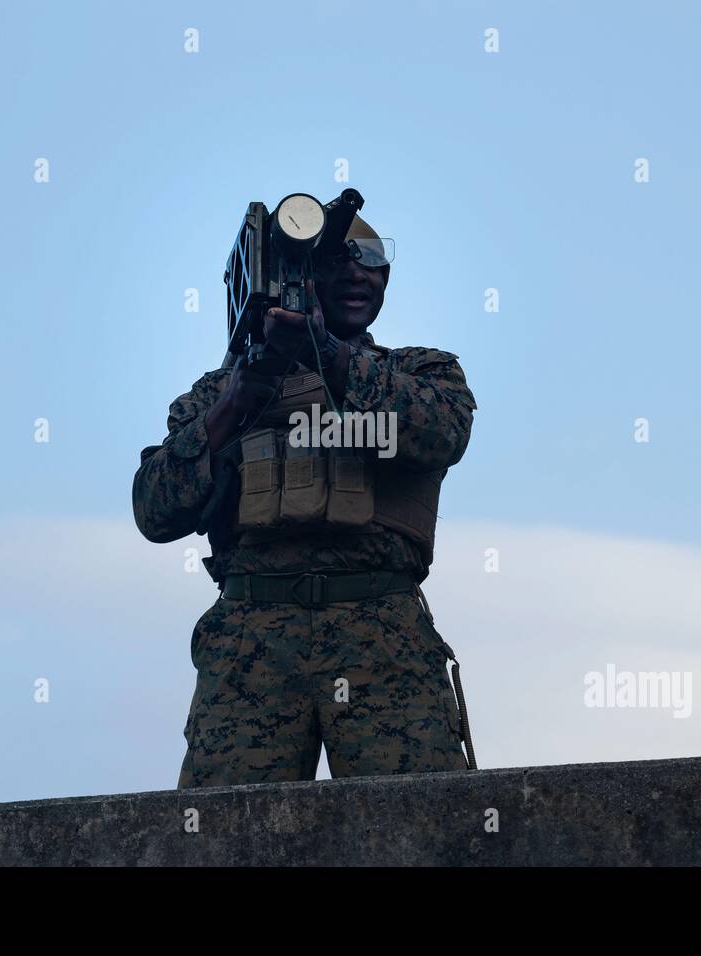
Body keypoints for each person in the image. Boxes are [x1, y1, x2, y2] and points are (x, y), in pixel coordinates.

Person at [132, 207, 477, 787]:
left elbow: (441, 432)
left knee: (419, 827)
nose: (358, 275)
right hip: (252, 632)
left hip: (380, 629)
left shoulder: (420, 371)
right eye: (336, 262)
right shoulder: (221, 391)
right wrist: (236, 405)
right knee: (225, 835)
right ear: (302, 277)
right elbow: (155, 510)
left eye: (372, 262)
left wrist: (329, 355)